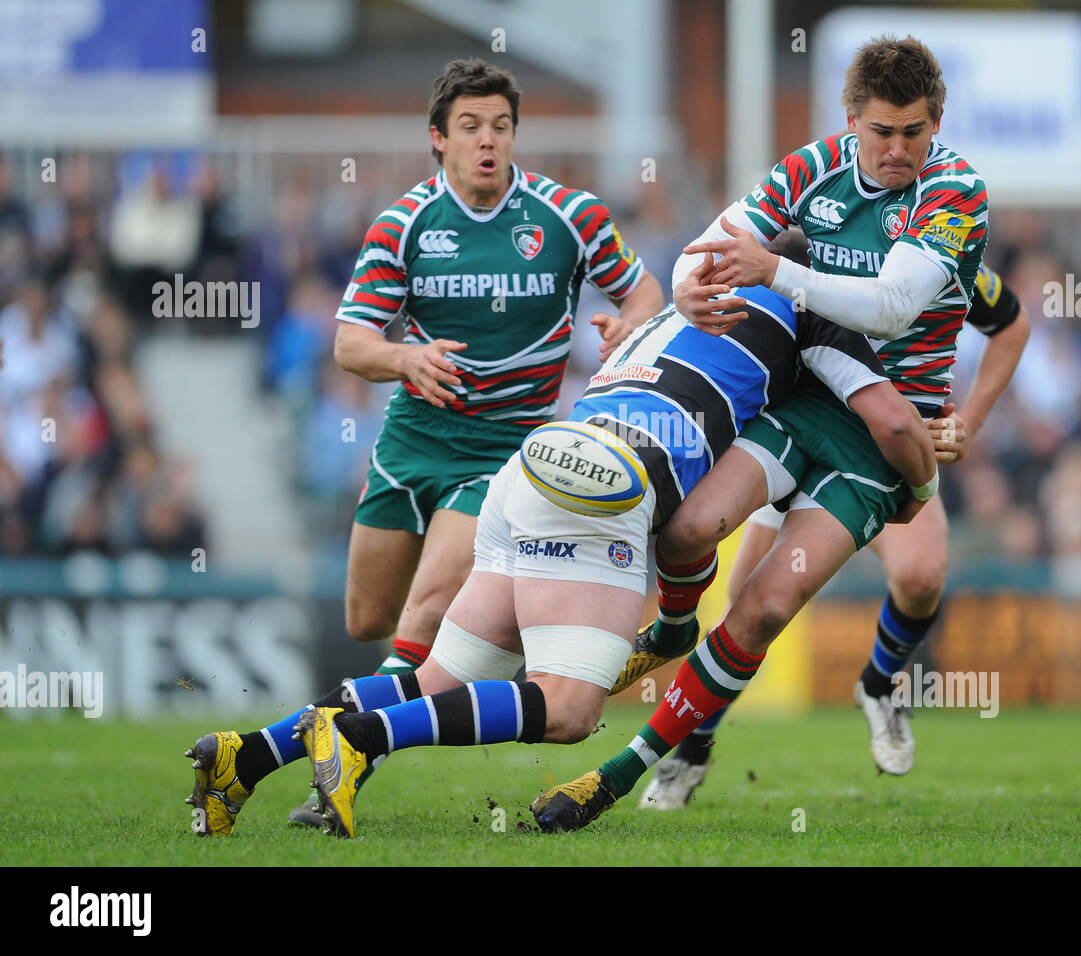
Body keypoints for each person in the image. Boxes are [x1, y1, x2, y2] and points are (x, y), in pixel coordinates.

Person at [186, 236, 936, 838]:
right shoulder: (810, 312)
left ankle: (245, 756)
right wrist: (925, 488)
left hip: (531, 471)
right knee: (570, 708)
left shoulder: (679, 303)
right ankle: (355, 741)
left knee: (432, 681)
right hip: (602, 488)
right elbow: (894, 422)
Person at [530, 33, 1003, 832]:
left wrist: (773, 271)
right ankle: (677, 633)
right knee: (685, 533)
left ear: (938, 122)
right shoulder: (808, 169)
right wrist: (694, 291)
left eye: (914, 132)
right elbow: (707, 249)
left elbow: (892, 308)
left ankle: (622, 771)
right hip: (797, 397)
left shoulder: (956, 190)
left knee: (766, 606)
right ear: (851, 118)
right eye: (881, 132)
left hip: (884, 436)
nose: (897, 150)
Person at [282, 58, 663, 826]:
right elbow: (351, 344)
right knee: (369, 618)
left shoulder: (568, 216)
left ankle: (343, 771)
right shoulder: (406, 224)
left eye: (500, 126)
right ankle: (492, 641)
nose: (488, 141)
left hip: (506, 451)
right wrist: (404, 357)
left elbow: (646, 291)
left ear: (514, 135)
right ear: (439, 139)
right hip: (411, 441)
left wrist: (632, 327)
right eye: (470, 127)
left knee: (423, 618)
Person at [639, 262, 1027, 809]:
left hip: (884, 447)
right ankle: (694, 745)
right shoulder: (819, 226)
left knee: (921, 577)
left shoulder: (943, 243)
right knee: (748, 609)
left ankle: (878, 684)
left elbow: (1011, 324)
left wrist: (970, 422)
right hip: (799, 425)